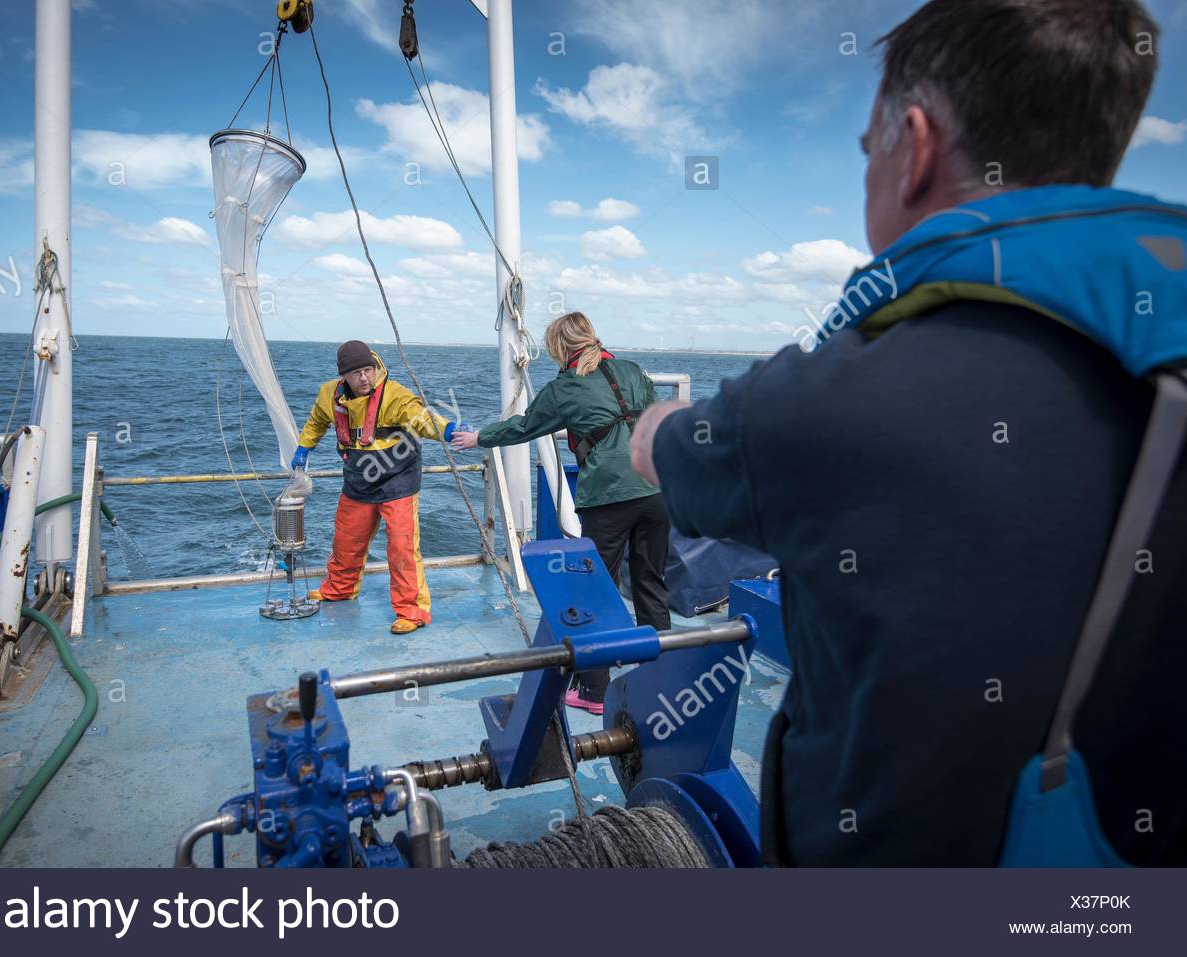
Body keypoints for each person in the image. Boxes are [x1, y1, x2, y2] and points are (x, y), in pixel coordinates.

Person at [632, 0, 1186, 865]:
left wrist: (654, 415)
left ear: (915, 145)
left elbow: (666, 451)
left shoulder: (824, 403)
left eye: (865, 149)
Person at [452, 312, 672, 714]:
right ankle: (665, 679)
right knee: (650, 582)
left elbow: (524, 427)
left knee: (593, 592)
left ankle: (593, 692)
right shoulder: (632, 370)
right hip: (656, 489)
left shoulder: (565, 387)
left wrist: (479, 436)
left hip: (610, 496)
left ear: (558, 348)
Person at [291, 340, 458, 635]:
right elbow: (317, 422)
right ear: (343, 376)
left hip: (399, 480)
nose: (364, 378)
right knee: (346, 540)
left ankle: (411, 611)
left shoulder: (395, 395)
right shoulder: (328, 394)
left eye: (368, 370)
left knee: (401, 548)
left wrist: (447, 429)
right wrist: (304, 446)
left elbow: (422, 418)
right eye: (356, 373)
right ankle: (340, 588)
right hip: (358, 478)